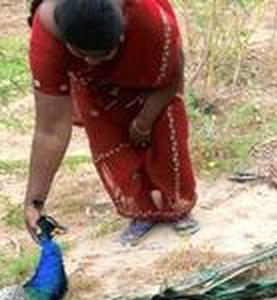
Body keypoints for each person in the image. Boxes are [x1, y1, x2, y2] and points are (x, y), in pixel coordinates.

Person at [24, 0, 198, 247]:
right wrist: (35, 201)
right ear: (64, 39)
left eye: (104, 54)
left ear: (123, 31)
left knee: (166, 140)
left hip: (150, 76)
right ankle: (142, 213)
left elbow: (172, 73)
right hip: (95, 90)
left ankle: (177, 207)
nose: (92, 63)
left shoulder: (151, 23)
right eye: (81, 54)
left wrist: (143, 122)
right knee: (112, 145)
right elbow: (50, 129)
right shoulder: (47, 39)